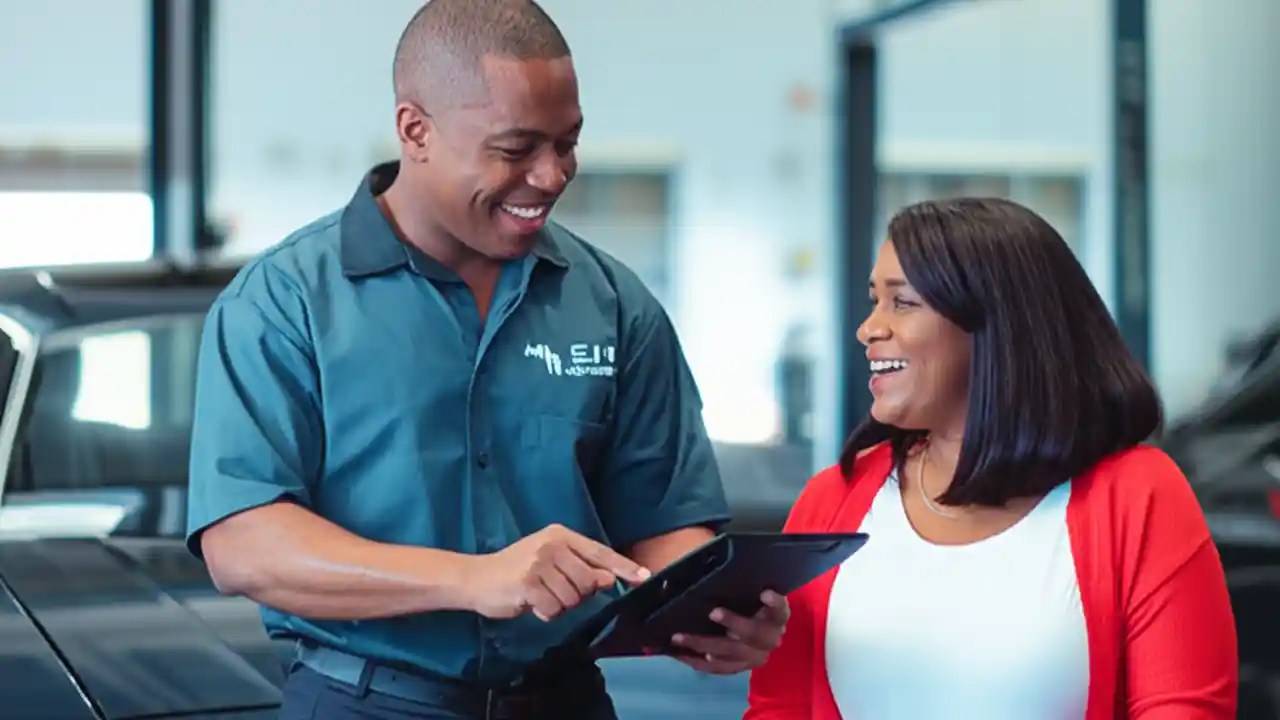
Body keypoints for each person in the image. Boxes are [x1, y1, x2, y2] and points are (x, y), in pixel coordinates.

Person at [184, 1, 788, 718]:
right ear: (416, 131)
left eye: (568, 143)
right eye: (515, 149)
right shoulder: (284, 302)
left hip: (566, 701)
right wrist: (474, 580)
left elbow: (662, 522)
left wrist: (709, 610)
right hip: (365, 702)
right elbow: (245, 545)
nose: (552, 174)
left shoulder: (615, 304)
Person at [745, 197, 1238, 719]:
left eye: (902, 302)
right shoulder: (834, 498)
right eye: (874, 301)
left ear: (996, 325)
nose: (869, 329)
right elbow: (779, 707)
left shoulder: (1139, 495)